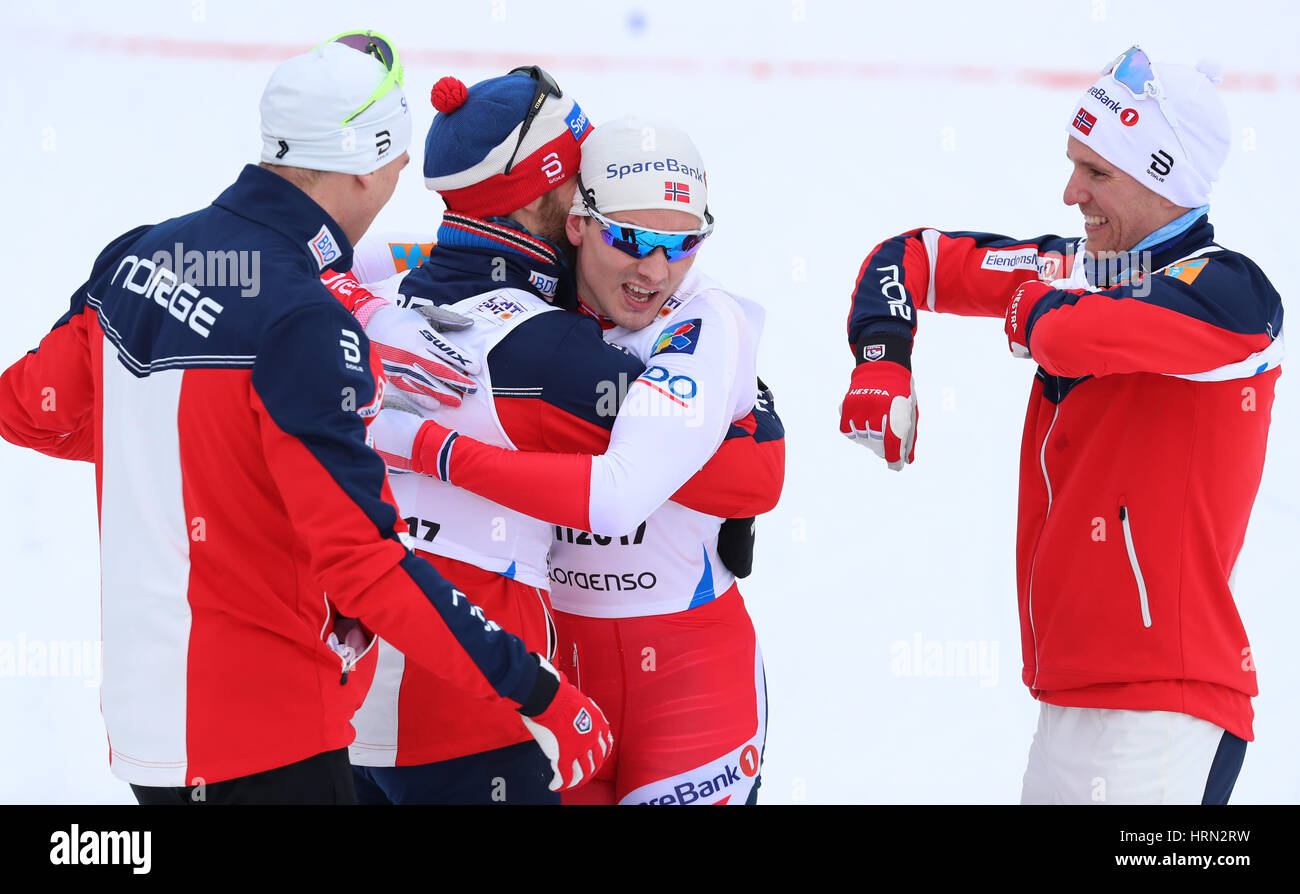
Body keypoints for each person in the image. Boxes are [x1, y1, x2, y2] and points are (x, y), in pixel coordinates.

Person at [0, 34, 609, 805]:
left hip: (146, 732)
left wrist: (201, 454)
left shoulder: (145, 254)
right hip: (270, 737)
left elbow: (26, 407)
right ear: (366, 162)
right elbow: (367, 564)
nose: (402, 178)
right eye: (398, 155)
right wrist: (539, 692)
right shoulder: (306, 321)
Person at [838, 46, 1283, 804]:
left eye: (1098, 173)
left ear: (1164, 179)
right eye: (1075, 164)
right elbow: (910, 258)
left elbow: (1084, 333)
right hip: (1068, 701)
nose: (1070, 191)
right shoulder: (1082, 272)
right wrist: (882, 359)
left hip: (1167, 715)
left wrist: (1039, 307)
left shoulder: (1231, 292)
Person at [327, 73, 783, 804]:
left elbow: (757, 480)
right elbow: (746, 473)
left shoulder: (693, 311)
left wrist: (371, 324)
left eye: (681, 243)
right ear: (567, 212)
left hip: (683, 678)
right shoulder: (540, 341)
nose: (655, 267)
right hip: (537, 673)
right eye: (623, 232)